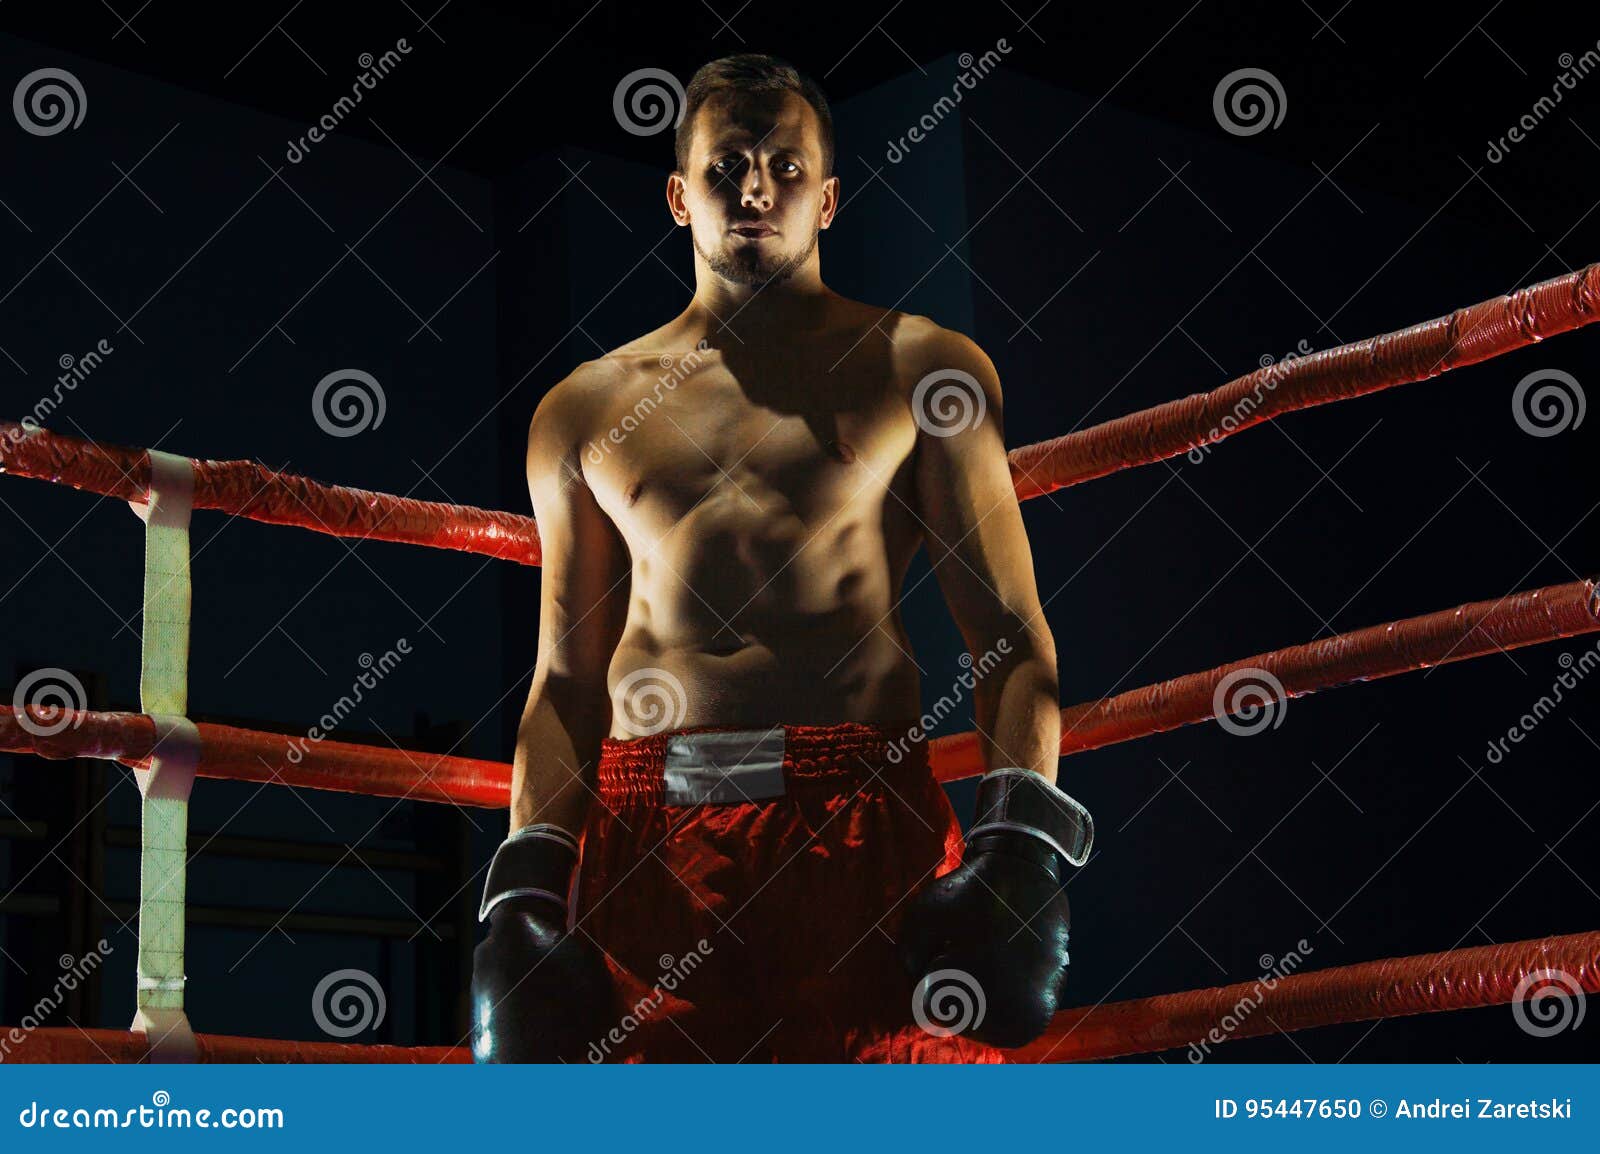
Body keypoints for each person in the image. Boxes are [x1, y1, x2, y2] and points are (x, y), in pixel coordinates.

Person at [470, 53, 1092, 1063]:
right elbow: (565, 681)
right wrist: (525, 890)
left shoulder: (921, 367)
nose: (755, 187)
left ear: (828, 197)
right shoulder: (582, 409)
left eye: (784, 165)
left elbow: (1011, 638)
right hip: (646, 834)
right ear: (679, 194)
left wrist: (1018, 844)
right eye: (726, 166)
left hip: (857, 820)